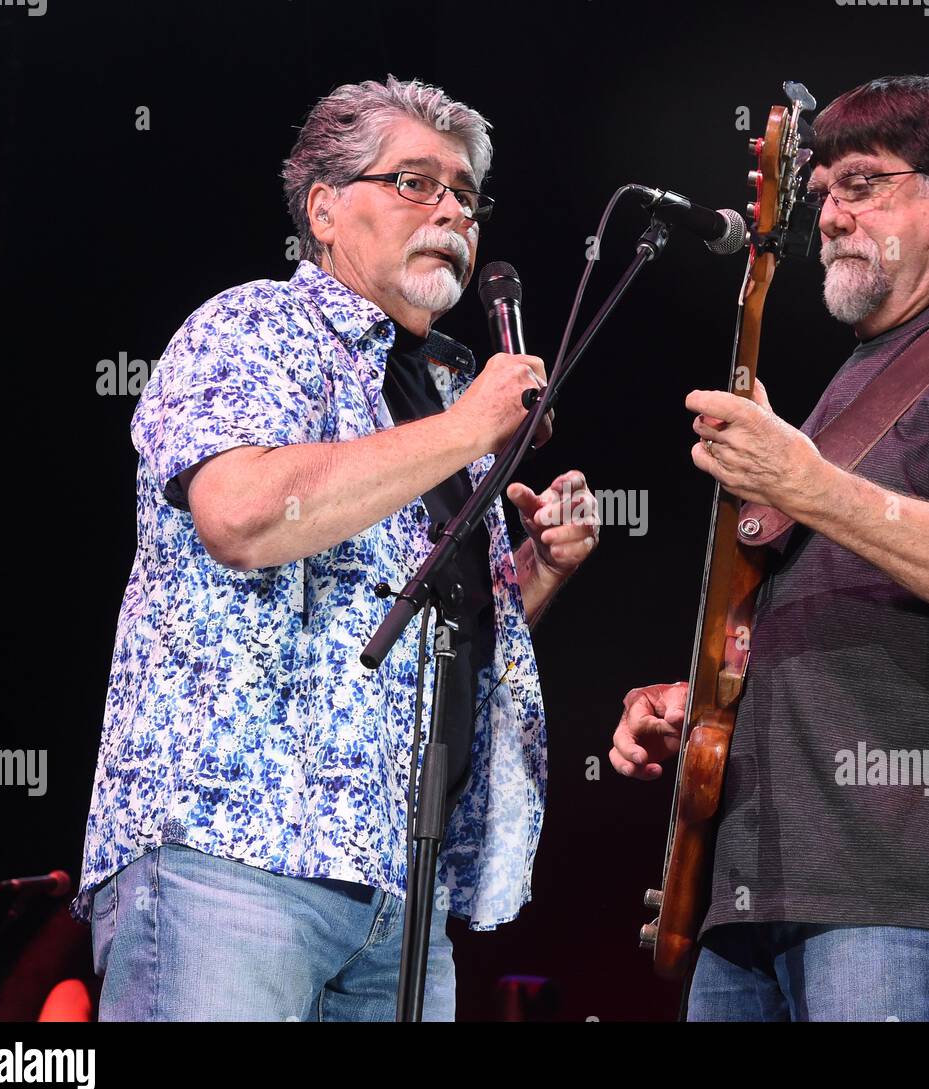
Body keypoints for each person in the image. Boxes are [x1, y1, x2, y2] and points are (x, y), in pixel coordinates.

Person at [73, 75, 599, 1021]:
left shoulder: (442, 391)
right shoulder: (251, 328)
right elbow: (239, 518)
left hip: (402, 884)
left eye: (466, 194)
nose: (450, 210)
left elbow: (416, 620)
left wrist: (533, 572)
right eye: (415, 182)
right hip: (232, 862)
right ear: (323, 209)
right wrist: (473, 426)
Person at [611, 76, 929, 1022]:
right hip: (749, 892)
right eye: (823, 190)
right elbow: (814, 607)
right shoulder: (842, 393)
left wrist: (806, 483)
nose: (830, 214)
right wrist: (696, 698)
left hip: (893, 890)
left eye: (863, 183)